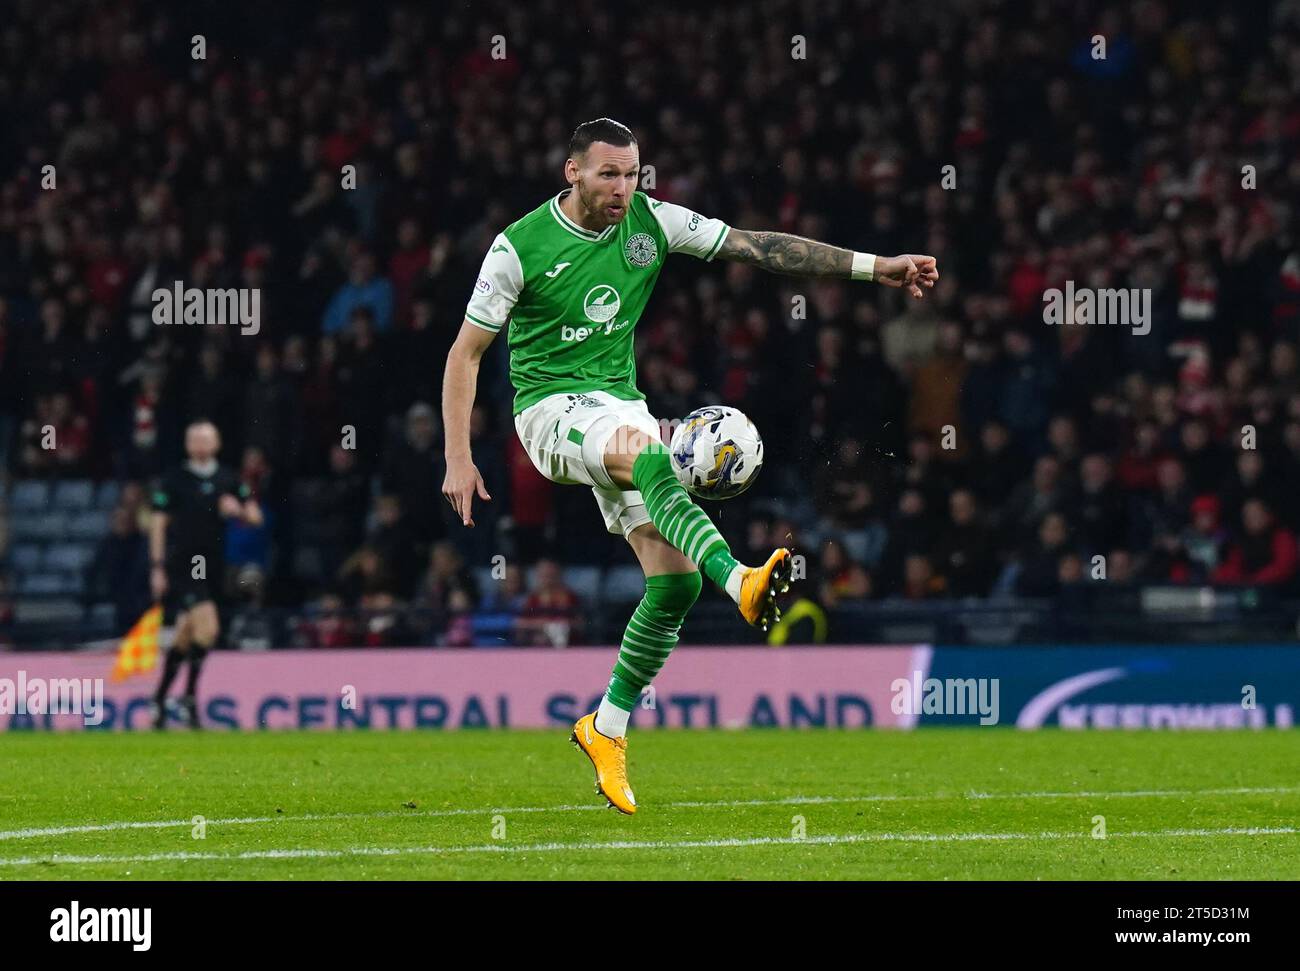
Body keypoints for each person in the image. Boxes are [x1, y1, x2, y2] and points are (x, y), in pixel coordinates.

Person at [441, 117, 938, 814]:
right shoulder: (518, 247)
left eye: (633, 173)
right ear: (573, 172)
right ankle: (738, 579)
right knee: (649, 454)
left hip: (622, 404)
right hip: (549, 412)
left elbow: (758, 248)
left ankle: (605, 727)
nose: (624, 188)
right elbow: (464, 353)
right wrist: (458, 456)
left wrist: (872, 265)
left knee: (672, 585)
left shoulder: (652, 220)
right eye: (609, 173)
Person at [149, 420, 263, 729]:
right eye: (194, 439)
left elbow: (256, 516)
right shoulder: (174, 479)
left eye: (206, 439)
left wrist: (237, 511)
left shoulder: (228, 478)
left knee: (187, 636)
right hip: (183, 563)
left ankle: (159, 700)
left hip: (214, 565)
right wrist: (157, 567)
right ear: (187, 445)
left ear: (216, 444)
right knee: (209, 628)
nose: (200, 444)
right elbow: (158, 524)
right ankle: (188, 699)